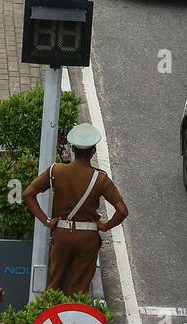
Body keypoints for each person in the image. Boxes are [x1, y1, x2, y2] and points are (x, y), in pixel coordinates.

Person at [23, 123, 128, 298]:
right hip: (87, 237)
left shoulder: (56, 170)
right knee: (79, 291)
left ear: (72, 149)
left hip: (62, 233)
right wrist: (105, 226)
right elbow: (122, 210)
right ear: (93, 151)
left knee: (54, 285)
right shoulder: (100, 178)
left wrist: (47, 221)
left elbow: (28, 194)